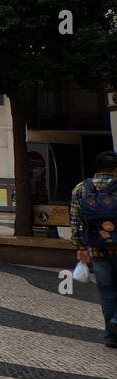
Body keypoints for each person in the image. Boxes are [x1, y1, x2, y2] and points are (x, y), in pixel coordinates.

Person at [70, 150, 117, 349]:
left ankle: (112, 337)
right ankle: (116, 321)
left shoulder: (81, 188)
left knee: (107, 293)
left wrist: (80, 247)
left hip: (96, 249)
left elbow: (74, 221)